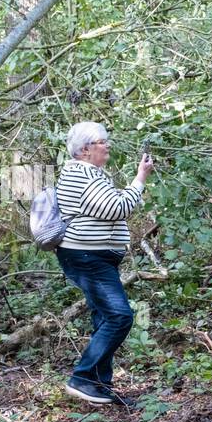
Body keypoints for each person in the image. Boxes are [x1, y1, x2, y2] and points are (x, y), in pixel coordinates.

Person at [54, 120, 154, 406]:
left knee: (103, 317)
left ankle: (99, 386)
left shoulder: (89, 173)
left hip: (94, 256)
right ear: (85, 149)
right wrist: (140, 179)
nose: (107, 145)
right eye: (101, 141)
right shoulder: (82, 175)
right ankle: (83, 378)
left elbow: (110, 205)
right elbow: (117, 207)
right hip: (87, 257)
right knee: (119, 316)